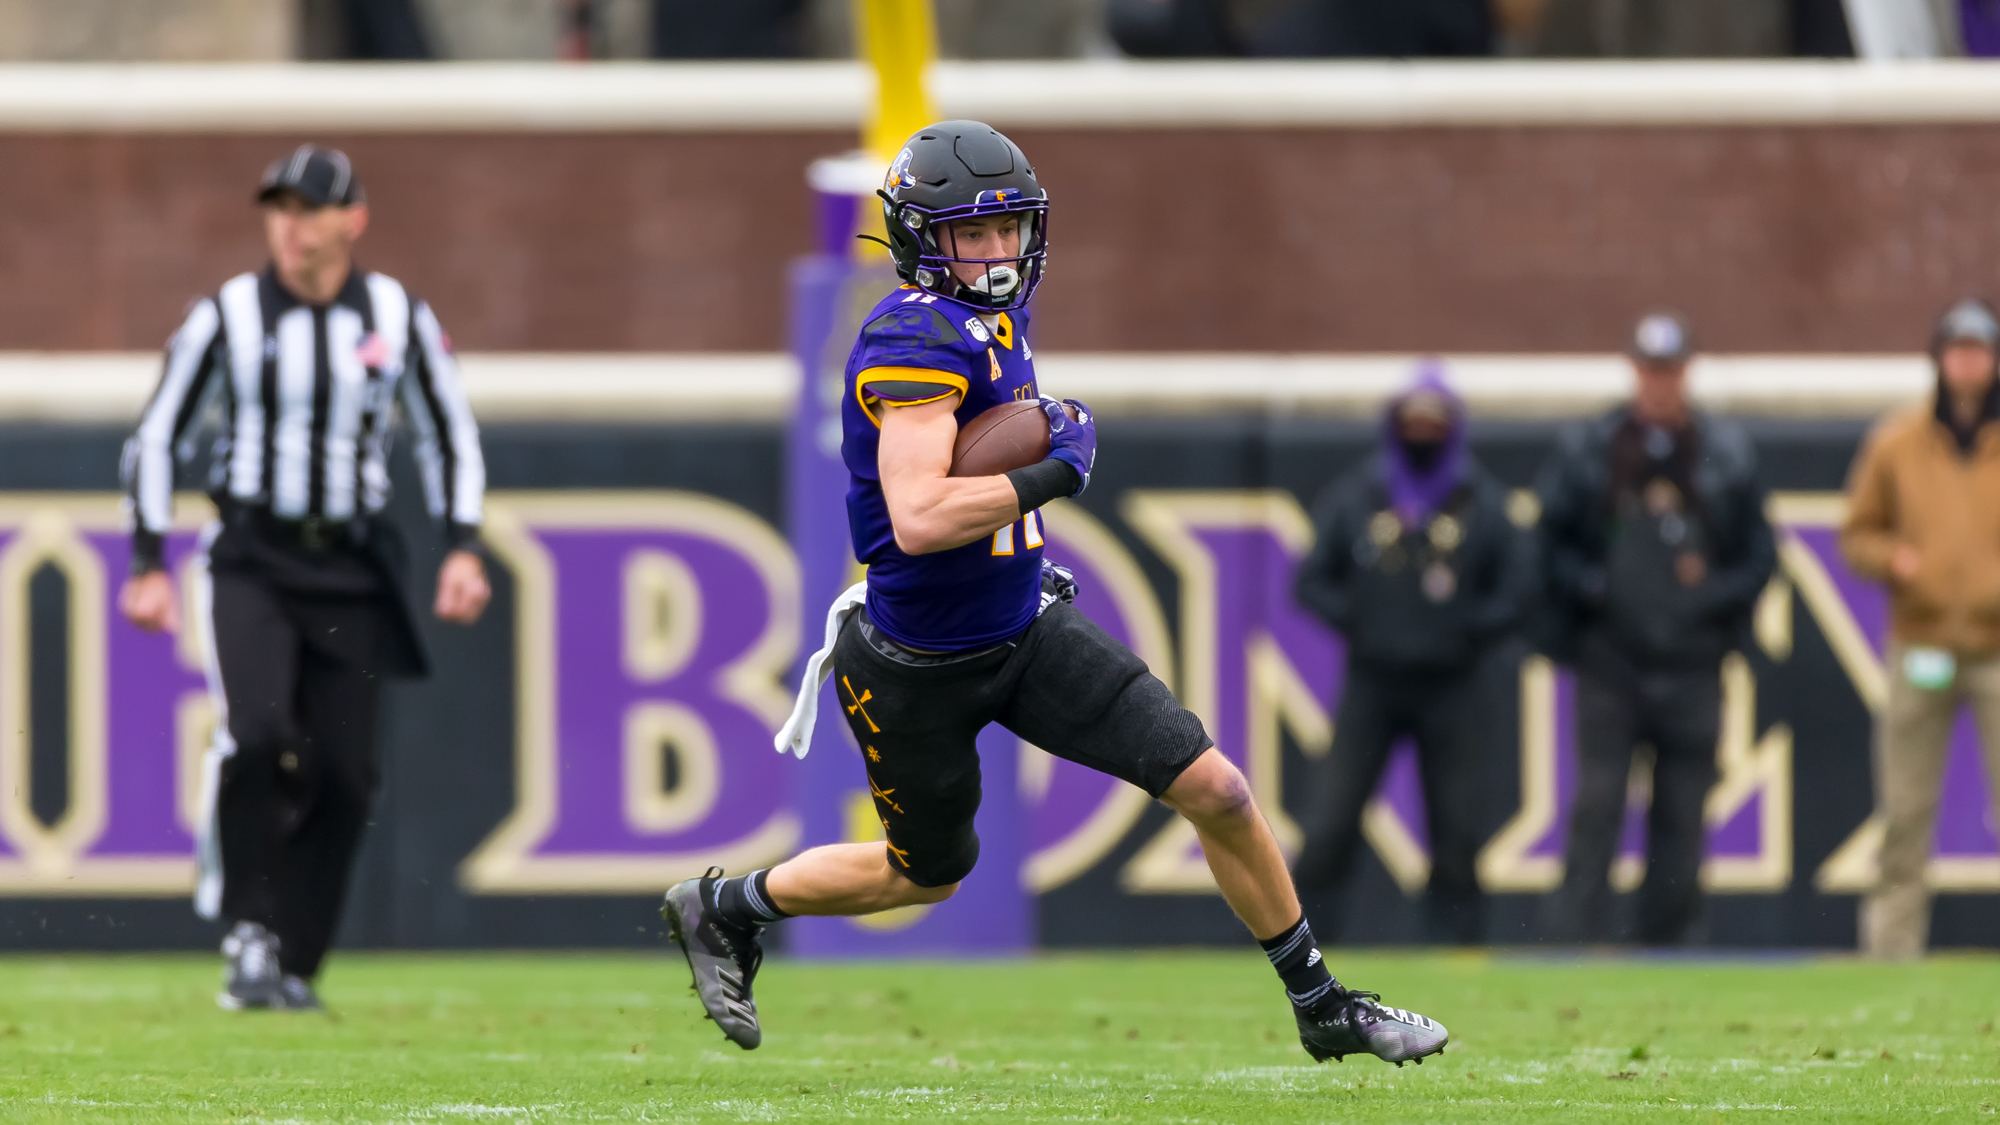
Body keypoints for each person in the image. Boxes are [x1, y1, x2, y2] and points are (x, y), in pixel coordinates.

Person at [662, 120, 1448, 1066]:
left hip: (1022, 629)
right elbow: (917, 515)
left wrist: (1021, 549)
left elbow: (972, 487)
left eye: (1009, 230)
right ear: (920, 236)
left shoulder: (992, 322)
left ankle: (1322, 1004)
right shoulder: (912, 330)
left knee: (1218, 788)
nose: (997, 253)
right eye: (973, 234)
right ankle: (725, 905)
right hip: (918, 664)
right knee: (922, 878)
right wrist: (1054, 472)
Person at [120, 145, 490, 1010]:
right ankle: (248, 931)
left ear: (351, 219)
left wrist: (463, 543)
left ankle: (294, 958)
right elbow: (157, 434)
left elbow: (450, 431)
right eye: (278, 208)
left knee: (347, 774)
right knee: (257, 731)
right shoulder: (227, 315)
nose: (290, 226)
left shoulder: (397, 315)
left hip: (350, 563)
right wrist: (147, 559)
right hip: (251, 555)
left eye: (308, 208)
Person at [1535, 311, 1775, 945]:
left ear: (1685, 373)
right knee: (1597, 807)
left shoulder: (1723, 453)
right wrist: (1593, 586)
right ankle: (1574, 943)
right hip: (1611, 661)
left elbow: (1760, 556)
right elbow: (1549, 540)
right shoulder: (1592, 447)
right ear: (1634, 371)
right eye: (1650, 370)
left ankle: (1670, 950)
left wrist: (1709, 597)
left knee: (1682, 815)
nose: (1660, 383)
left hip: (1693, 664)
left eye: (1669, 371)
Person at [1292, 363, 1531, 945]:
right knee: (1332, 824)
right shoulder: (1363, 495)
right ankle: (1304, 949)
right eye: (1413, 421)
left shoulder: (1480, 501)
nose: (1422, 432)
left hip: (1454, 685)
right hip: (1373, 681)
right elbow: (1311, 581)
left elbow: (1520, 588)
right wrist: (1363, 623)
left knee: (1458, 828)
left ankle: (1457, 950)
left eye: (1434, 422)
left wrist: (1467, 632)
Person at [1840, 298, 2000, 959]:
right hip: (1922, 643)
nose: (1967, 361)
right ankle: (1891, 956)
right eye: (1957, 348)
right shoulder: (1896, 442)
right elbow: (1857, 533)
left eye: (1979, 349)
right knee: (1905, 812)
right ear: (1938, 357)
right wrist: (1896, 558)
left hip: (1997, 648)